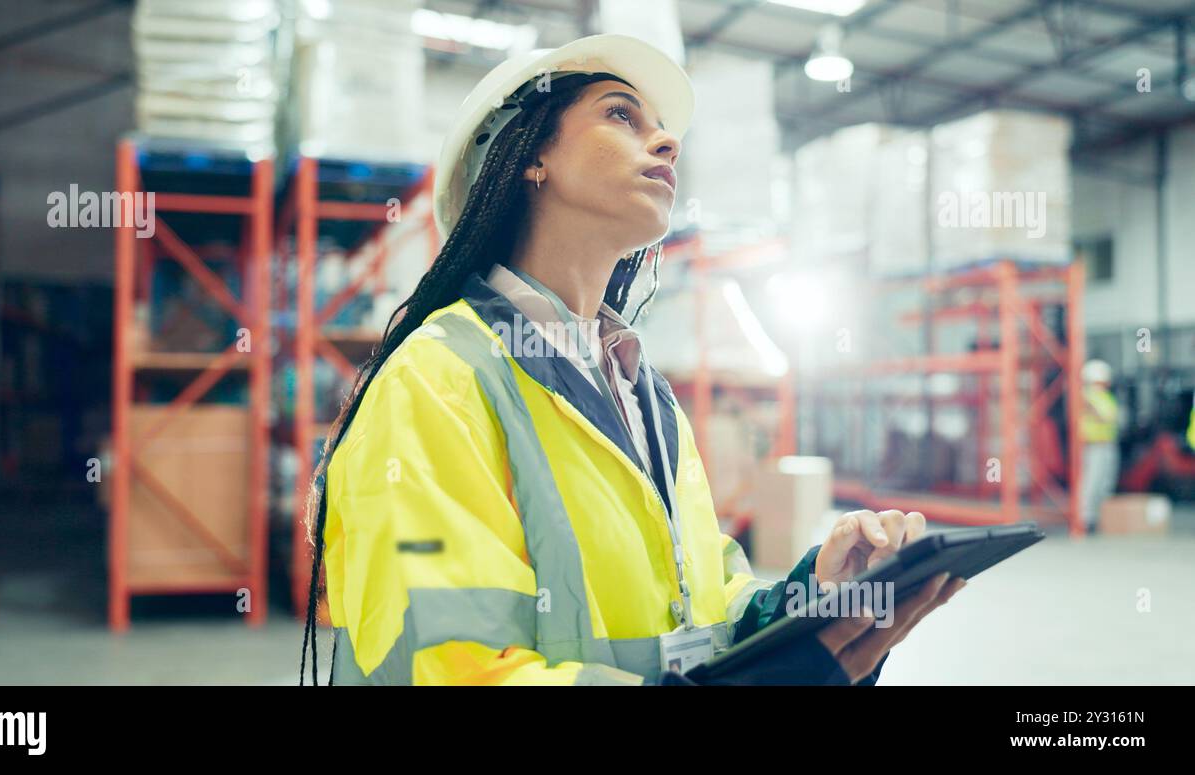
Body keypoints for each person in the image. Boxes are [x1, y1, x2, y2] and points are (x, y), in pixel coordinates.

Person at [298, 34, 964, 686]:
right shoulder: (434, 380)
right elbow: (451, 668)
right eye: (621, 114)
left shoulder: (644, 393)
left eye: (663, 127)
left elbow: (704, 611)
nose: (668, 141)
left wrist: (815, 595)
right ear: (531, 157)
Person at [1080, 359, 1120, 534]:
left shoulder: (1104, 397)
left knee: (1105, 483)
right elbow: (1103, 417)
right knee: (1091, 483)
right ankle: (1086, 519)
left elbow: (1110, 418)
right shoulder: (1086, 396)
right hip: (1093, 446)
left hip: (1107, 444)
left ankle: (1102, 518)